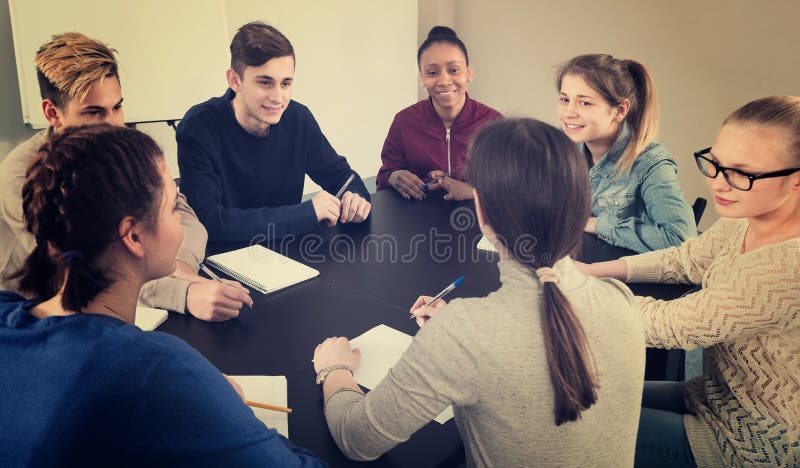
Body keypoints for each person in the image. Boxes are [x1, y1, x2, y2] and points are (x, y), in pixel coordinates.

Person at [313, 119, 646, 466]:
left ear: (482, 212)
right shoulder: (620, 299)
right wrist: (456, 335)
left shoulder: (464, 334)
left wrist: (334, 370)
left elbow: (357, 439)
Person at [0, 124, 324, 467]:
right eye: (171, 207)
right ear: (134, 237)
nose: (180, 222)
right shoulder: (155, 371)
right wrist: (234, 414)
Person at [579, 96, 800, 467]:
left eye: (741, 173)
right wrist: (594, 271)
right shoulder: (745, 216)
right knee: (586, 397)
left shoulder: (787, 266)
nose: (718, 183)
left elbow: (672, 326)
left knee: (568, 423)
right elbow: (686, 259)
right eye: (715, 163)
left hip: (750, 443)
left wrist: (570, 294)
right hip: (713, 396)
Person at [0, 32, 251, 322]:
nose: (112, 124)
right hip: (37, 320)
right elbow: (82, 274)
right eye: (93, 112)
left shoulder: (123, 148)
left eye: (117, 107)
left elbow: (183, 214)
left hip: (120, 303)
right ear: (52, 113)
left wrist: (179, 264)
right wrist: (184, 293)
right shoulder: (20, 176)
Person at [177, 21, 371, 243]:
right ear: (234, 80)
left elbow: (341, 177)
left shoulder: (298, 119)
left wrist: (355, 198)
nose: (278, 97)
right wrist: (308, 213)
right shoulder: (198, 126)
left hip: (288, 251)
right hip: (226, 261)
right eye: (265, 83)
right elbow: (210, 223)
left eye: (286, 83)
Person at [556, 54, 696, 253]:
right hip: (574, 268)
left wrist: (593, 224)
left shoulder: (650, 163)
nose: (568, 113)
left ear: (620, 110)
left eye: (584, 103)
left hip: (628, 277)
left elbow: (681, 238)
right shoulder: (560, 145)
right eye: (564, 99)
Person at [376, 26, 502, 201]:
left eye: (454, 70)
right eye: (432, 73)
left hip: (479, 223)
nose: (444, 81)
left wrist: (472, 192)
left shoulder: (495, 124)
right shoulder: (404, 122)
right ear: (421, 78)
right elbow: (383, 177)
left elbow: (513, 188)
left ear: (469, 73)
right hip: (417, 222)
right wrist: (394, 176)